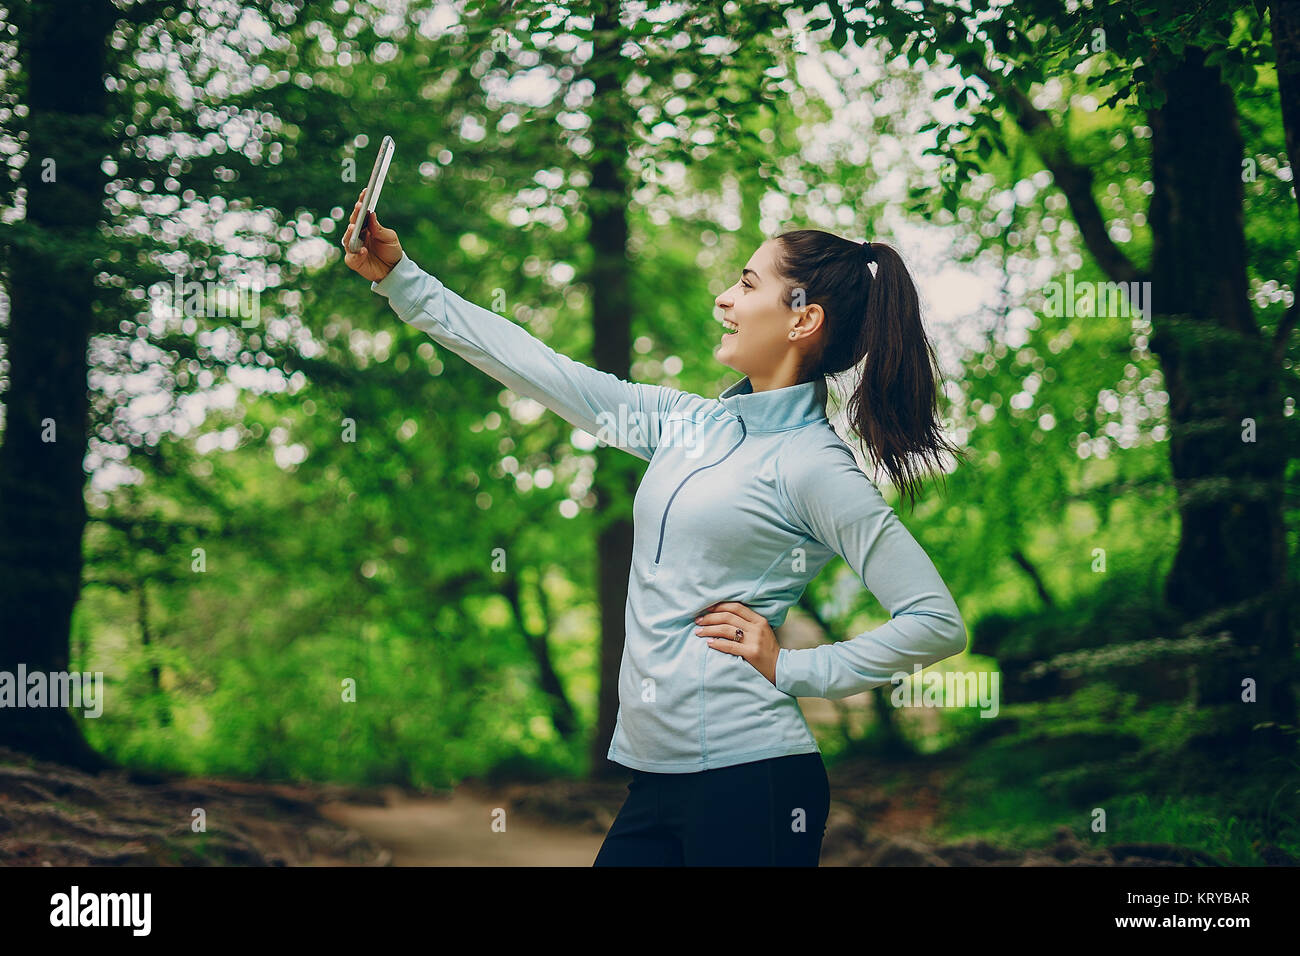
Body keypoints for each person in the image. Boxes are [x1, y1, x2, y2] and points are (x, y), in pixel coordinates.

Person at [342, 192, 967, 867]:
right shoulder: (685, 424)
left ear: (802, 319)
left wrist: (796, 669)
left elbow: (935, 621)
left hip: (755, 784)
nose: (724, 299)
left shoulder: (814, 467)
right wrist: (403, 281)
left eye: (748, 284)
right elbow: (538, 368)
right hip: (656, 780)